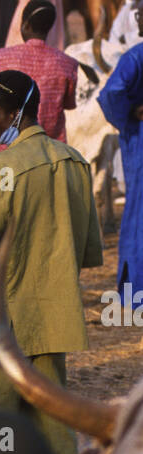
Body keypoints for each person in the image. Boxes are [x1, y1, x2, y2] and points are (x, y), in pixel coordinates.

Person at [0, 70, 102, 454]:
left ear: (17, 114)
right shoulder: (75, 163)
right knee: (51, 417)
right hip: (50, 313)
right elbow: (85, 249)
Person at [0, 0, 77, 146]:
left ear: (25, 25)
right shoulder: (67, 64)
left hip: (4, 150)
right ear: (49, 28)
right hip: (48, 149)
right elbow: (69, 103)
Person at [97, 18, 143, 301]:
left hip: (139, 143)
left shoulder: (135, 57)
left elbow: (111, 93)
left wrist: (127, 116)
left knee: (139, 213)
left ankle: (136, 290)